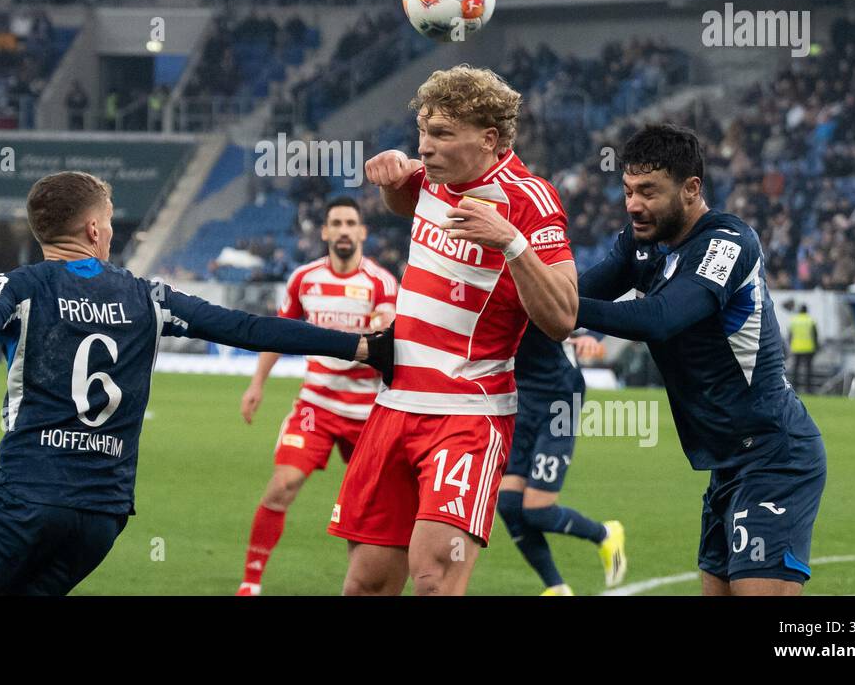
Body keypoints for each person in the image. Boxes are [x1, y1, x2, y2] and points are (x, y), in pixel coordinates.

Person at [0, 171, 392, 596]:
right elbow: (248, 328)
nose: (112, 228)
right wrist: (361, 346)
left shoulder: (19, 289)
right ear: (93, 229)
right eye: (110, 218)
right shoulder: (149, 297)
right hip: (102, 518)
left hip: (20, 501)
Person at [328, 65, 578, 596]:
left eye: (441, 134)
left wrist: (511, 243)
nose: (426, 147)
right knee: (366, 582)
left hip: (466, 414)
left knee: (434, 578)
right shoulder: (433, 179)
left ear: (488, 139)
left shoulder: (529, 199)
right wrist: (393, 181)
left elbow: (561, 318)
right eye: (422, 131)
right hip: (394, 404)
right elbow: (407, 202)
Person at [575, 124, 826, 596]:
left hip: (775, 454)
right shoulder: (640, 243)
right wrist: (518, 274)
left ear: (691, 189)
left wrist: (561, 307)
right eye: (628, 190)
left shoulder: (727, 242)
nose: (633, 205)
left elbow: (661, 318)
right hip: (726, 463)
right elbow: (574, 296)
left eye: (649, 191)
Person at [236, 196, 397, 595]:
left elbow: (391, 339)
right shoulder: (304, 279)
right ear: (324, 232)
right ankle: (250, 584)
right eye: (336, 223)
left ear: (362, 232)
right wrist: (257, 383)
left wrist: (383, 328)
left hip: (368, 413)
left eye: (350, 223)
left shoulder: (380, 282)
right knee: (282, 485)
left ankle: (364, 582)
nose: (343, 230)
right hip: (317, 407)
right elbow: (279, 331)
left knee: (368, 508)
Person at [497, 326, 626, 595]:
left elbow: (590, 295)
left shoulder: (547, 282)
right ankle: (556, 587)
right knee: (508, 503)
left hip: (559, 396)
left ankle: (604, 534)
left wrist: (593, 335)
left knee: (537, 510)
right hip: (518, 395)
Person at [787, 304, 818, 392]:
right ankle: (808, 388)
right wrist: (816, 347)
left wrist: (791, 345)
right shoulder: (811, 320)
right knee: (808, 370)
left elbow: (790, 335)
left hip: (796, 348)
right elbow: (815, 335)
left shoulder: (794, 320)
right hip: (809, 348)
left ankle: (795, 387)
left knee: (796, 370)